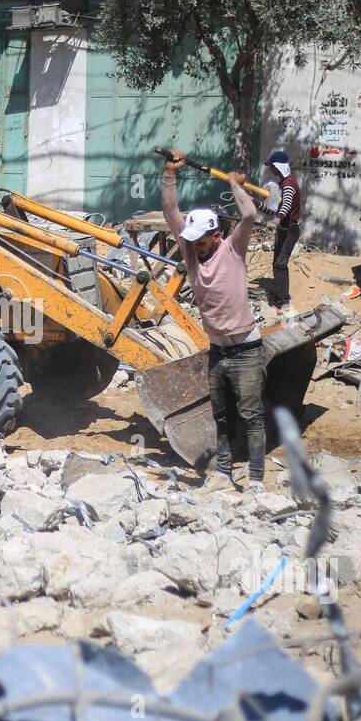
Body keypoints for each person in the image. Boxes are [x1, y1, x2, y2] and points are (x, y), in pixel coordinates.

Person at [162, 151, 266, 493]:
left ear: (217, 235)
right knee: (221, 416)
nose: (196, 246)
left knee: (251, 416)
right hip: (218, 351)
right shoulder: (191, 255)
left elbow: (249, 214)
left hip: (247, 349)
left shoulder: (233, 249)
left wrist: (236, 185)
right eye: (192, 241)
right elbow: (170, 213)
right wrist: (170, 174)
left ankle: (256, 481)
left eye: (201, 241)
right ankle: (223, 475)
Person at [265, 150, 301, 309]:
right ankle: (280, 295)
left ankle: (283, 300)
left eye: (271, 166)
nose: (270, 170)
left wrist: (277, 220)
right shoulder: (282, 184)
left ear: (277, 167)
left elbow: (286, 204)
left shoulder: (289, 184)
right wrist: (254, 202)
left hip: (290, 231)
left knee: (280, 264)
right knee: (277, 264)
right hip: (283, 230)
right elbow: (274, 210)